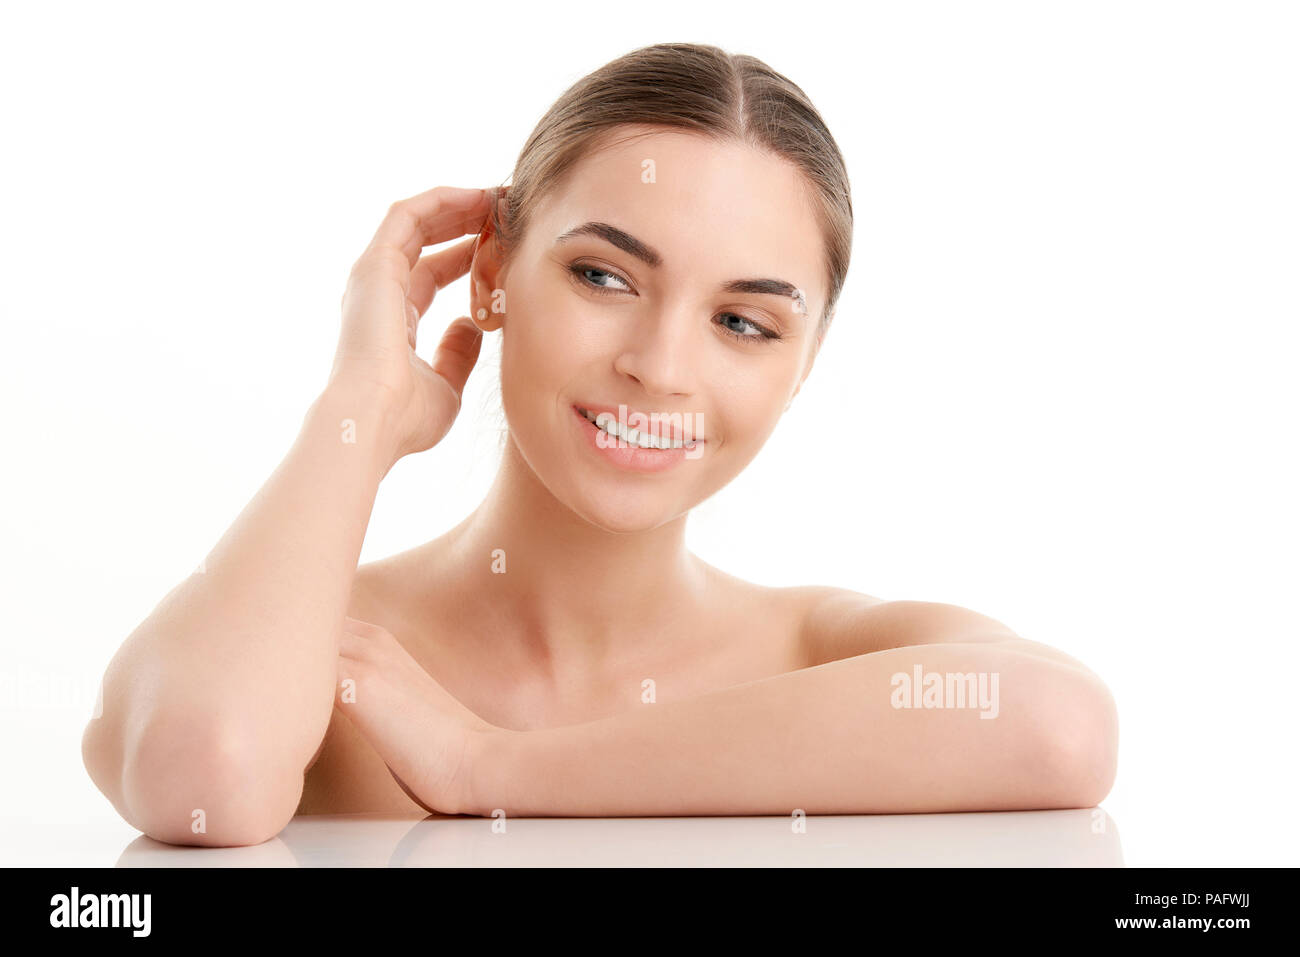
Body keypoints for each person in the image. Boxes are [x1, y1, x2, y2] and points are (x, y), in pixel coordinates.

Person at [82, 42, 1118, 847]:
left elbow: (1060, 727)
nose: (660, 366)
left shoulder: (819, 656)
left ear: (800, 366)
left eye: (743, 324)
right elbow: (200, 776)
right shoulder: (319, 650)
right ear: (489, 273)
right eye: (604, 277)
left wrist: (488, 771)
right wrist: (360, 408)